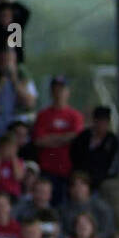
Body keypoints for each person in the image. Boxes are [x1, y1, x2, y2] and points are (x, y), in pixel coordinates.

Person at [31, 75, 83, 203]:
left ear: (67, 92)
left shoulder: (74, 116)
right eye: (56, 89)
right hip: (48, 169)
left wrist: (51, 138)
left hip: (67, 169)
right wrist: (64, 138)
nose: (59, 92)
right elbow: (39, 140)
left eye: (62, 89)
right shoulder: (43, 115)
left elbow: (76, 136)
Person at [69, 105, 119, 190]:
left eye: (105, 122)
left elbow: (114, 164)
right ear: (94, 121)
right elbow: (74, 156)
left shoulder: (112, 140)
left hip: (101, 181)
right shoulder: (83, 137)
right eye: (99, 121)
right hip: (82, 179)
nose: (102, 125)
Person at [59, 170, 115, 238]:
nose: (78, 189)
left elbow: (109, 231)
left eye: (82, 184)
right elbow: (60, 232)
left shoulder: (102, 208)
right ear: (70, 189)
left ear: (88, 187)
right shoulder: (62, 210)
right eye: (74, 185)